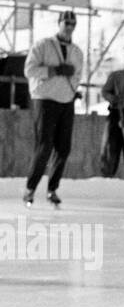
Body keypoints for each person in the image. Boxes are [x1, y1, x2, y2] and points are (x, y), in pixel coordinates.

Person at [22, 11, 84, 207]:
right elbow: (29, 70)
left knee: (63, 147)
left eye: (73, 23)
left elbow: (77, 74)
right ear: (59, 23)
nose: (69, 26)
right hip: (45, 99)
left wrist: (73, 90)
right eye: (66, 22)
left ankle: (52, 189)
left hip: (66, 101)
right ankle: (30, 189)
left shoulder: (76, 51)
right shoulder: (43, 45)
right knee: (44, 146)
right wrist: (53, 71)